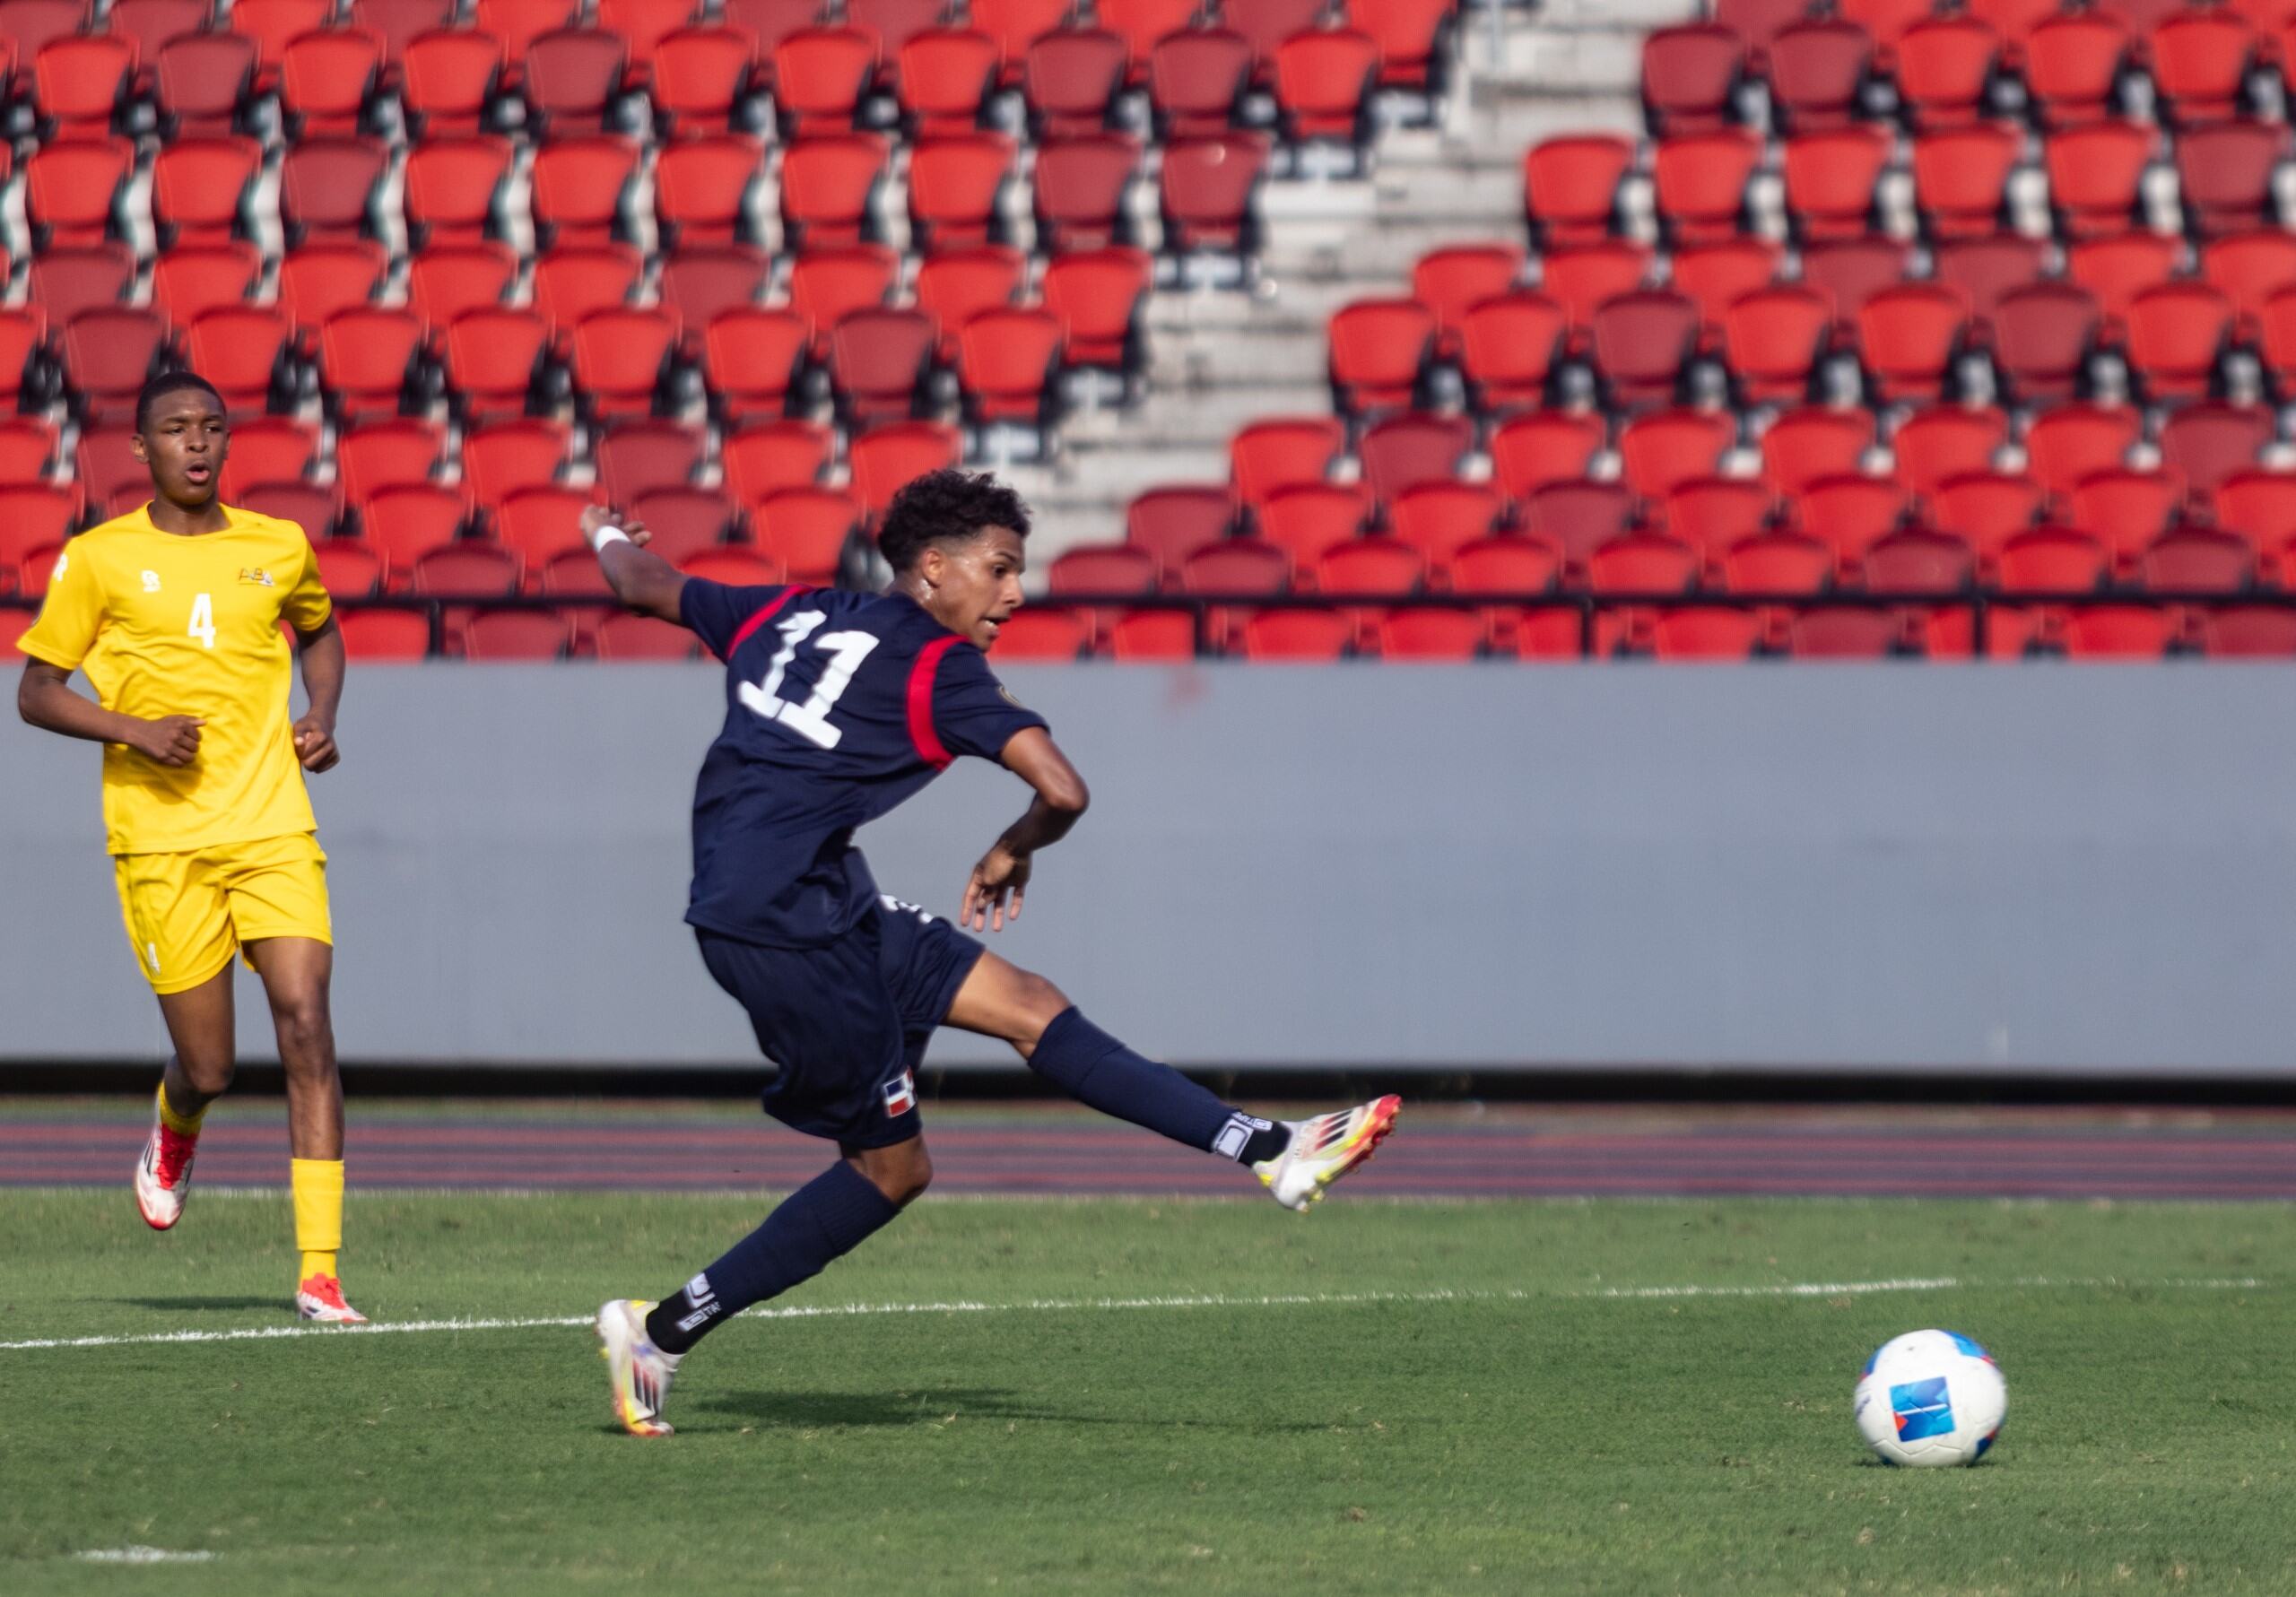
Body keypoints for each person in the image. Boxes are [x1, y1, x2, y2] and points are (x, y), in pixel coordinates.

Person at [583, 469, 1399, 1437]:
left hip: (808, 896)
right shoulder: (939, 666)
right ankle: (660, 1330)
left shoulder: (790, 610)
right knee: (891, 1170)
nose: (1015, 593)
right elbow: (1064, 787)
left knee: (1027, 1003)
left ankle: (1271, 1147)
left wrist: (600, 532)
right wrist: (1013, 845)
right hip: (786, 927)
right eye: (1000, 568)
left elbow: (644, 584)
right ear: (933, 568)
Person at [14, 370, 364, 1324]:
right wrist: (131, 728)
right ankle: (176, 1128)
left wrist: (319, 711)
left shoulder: (277, 544)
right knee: (209, 1063)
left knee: (306, 1020)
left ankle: (320, 1271)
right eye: (176, 429)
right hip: (162, 841)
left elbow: (323, 636)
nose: (197, 444)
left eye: (211, 427)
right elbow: (35, 690)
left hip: (271, 823)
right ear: (142, 449)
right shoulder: (99, 558)